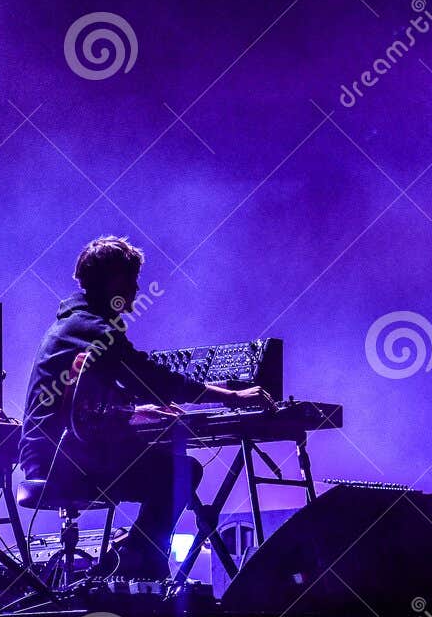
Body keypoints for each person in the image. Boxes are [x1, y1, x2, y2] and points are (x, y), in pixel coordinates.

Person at [20, 236, 260, 578]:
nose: (135, 290)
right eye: (131, 280)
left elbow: (87, 399)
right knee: (181, 472)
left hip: (56, 453)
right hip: (61, 462)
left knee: (163, 464)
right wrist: (231, 396)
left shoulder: (74, 324)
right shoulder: (93, 328)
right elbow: (149, 378)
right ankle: (137, 559)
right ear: (113, 281)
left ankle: (133, 556)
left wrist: (134, 410)